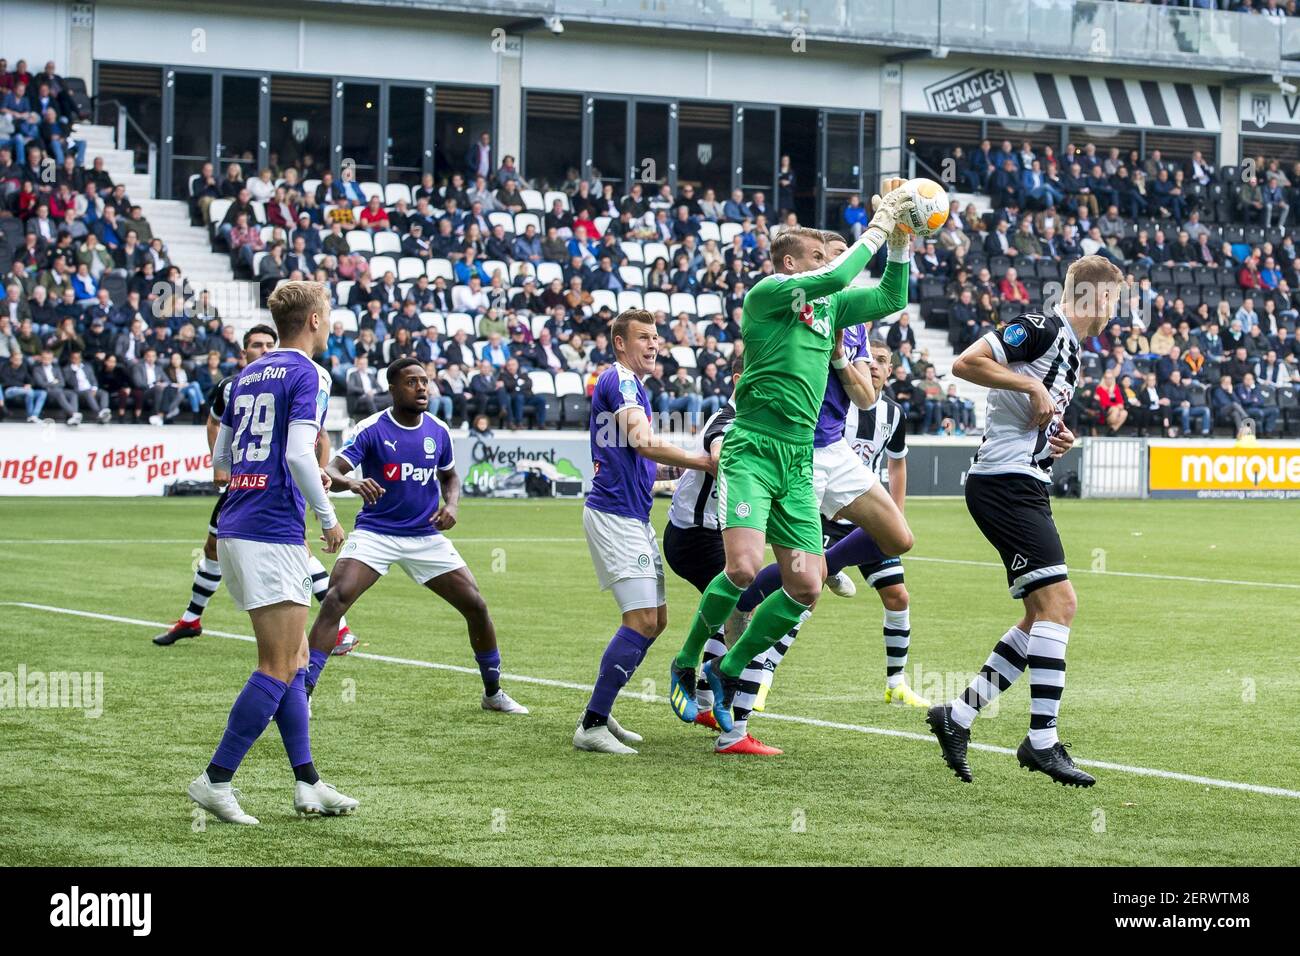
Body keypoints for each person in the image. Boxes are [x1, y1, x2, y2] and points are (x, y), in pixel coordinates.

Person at [669, 183, 915, 738]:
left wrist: (901, 239)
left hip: (799, 458)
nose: (828, 263)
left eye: (829, 255)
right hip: (753, 448)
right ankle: (686, 659)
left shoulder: (830, 306)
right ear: (789, 264)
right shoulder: (768, 294)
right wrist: (880, 222)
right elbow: (837, 275)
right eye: (818, 255)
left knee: (806, 584)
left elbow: (891, 298)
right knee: (742, 568)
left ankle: (726, 670)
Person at [927, 254, 1123, 789]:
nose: (1115, 311)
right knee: (1061, 604)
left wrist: (1055, 435)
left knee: (1040, 616)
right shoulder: (1042, 328)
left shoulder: (1071, 350)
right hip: (1004, 483)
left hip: (1024, 480)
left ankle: (957, 716)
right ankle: (1041, 740)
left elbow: (1026, 412)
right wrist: (1033, 390)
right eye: (1115, 300)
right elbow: (965, 363)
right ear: (1098, 297)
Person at [187, 281, 358, 825]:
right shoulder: (310, 373)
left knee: (296, 660)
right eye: (327, 316)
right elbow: (300, 453)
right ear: (314, 320)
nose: (329, 326)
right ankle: (216, 779)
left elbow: (222, 454)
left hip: (236, 521)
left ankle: (308, 782)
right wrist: (328, 518)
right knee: (279, 665)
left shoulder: (246, 376)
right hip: (270, 529)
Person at [305, 356, 527, 715]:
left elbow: (450, 476)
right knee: (335, 598)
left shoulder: (438, 430)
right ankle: (302, 693)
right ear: (393, 389)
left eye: (425, 381)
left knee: (476, 606)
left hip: (425, 535)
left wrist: (451, 505)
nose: (422, 387)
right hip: (377, 532)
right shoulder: (371, 428)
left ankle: (493, 692)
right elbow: (330, 470)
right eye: (412, 382)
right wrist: (353, 482)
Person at [152, 325, 359, 654]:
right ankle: (192, 619)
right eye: (255, 345)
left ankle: (340, 627)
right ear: (243, 351)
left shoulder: (289, 379)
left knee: (299, 551)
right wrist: (220, 466)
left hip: (276, 485)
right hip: (243, 484)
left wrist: (318, 476)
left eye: (268, 344)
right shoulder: (232, 386)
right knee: (211, 548)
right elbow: (214, 422)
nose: (263, 350)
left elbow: (316, 437)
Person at [574, 309, 714, 755]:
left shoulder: (630, 385)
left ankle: (601, 705)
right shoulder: (621, 380)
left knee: (657, 620)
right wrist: (702, 460)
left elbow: (635, 456)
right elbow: (643, 442)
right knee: (641, 620)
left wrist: (675, 474)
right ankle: (592, 724)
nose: (654, 344)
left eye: (656, 337)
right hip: (615, 516)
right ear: (620, 343)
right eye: (643, 337)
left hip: (633, 515)